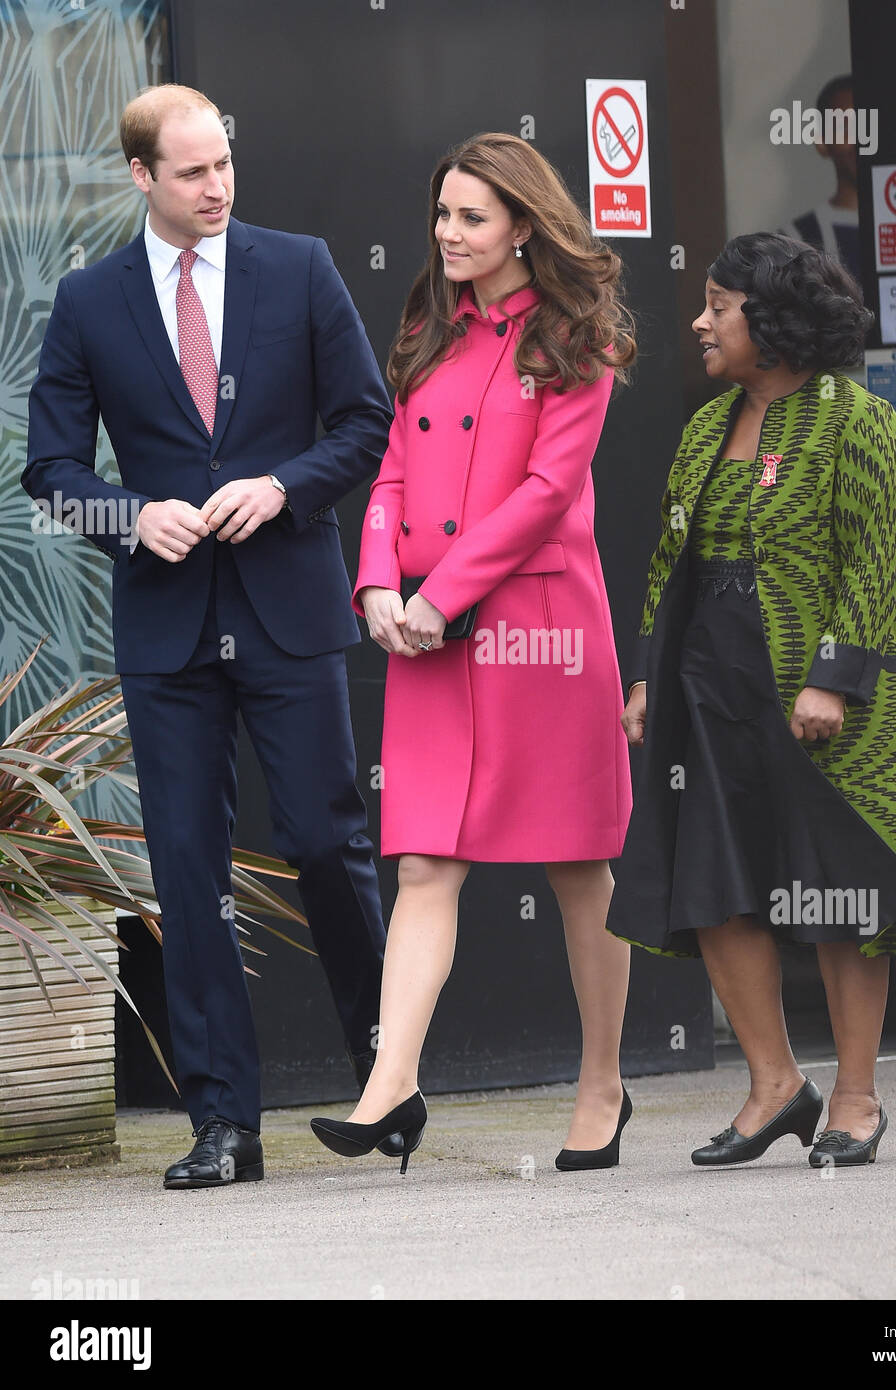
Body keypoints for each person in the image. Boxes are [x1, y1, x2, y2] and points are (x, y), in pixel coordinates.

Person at [23, 84, 396, 1189]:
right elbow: (50, 471)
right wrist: (128, 513)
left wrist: (282, 489)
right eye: (190, 172)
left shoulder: (301, 265)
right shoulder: (89, 300)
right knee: (186, 869)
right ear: (141, 175)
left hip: (287, 607)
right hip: (165, 622)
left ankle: (387, 1078)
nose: (217, 186)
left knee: (328, 841)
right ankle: (223, 1123)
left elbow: (364, 422)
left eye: (223, 162)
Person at [607, 233, 896, 1168]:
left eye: (717, 306)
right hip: (712, 689)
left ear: (770, 323)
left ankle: (854, 1097)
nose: (699, 321)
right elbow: (670, 564)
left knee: (842, 890)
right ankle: (775, 1087)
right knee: (716, 888)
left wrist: (831, 679)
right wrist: (651, 671)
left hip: (832, 702)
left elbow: (870, 569)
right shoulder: (704, 428)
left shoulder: (859, 423)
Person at [309, 132, 636, 1175]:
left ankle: (602, 1083)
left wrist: (442, 595)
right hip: (428, 635)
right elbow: (395, 467)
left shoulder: (576, 337)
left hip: (538, 631)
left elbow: (546, 497)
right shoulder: (426, 326)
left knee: (578, 862)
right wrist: (374, 582)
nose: (448, 235)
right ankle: (389, 1082)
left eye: (471, 218)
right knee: (422, 858)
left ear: (523, 228)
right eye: (442, 215)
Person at [778, 75, 862, 283]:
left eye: (868, 126)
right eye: (845, 128)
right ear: (822, 143)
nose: (861, 139)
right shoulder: (796, 240)